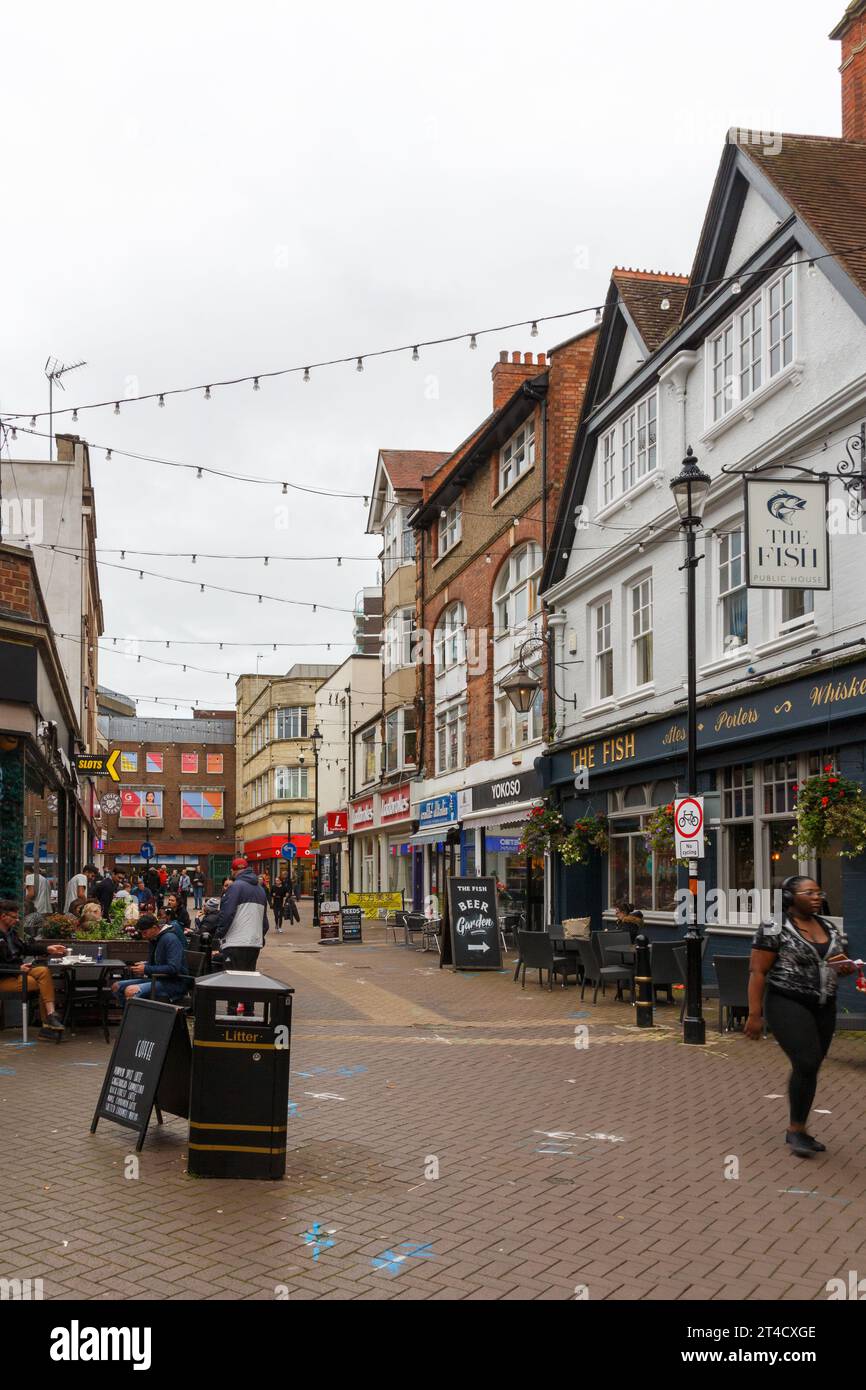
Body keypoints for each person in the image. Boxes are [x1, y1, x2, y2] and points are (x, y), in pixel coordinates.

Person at [746, 876, 857, 1157]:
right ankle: (795, 1130)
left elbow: (837, 959)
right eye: (809, 892)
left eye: (819, 892)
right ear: (790, 897)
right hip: (786, 1001)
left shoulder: (830, 927)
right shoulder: (774, 927)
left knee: (811, 1066)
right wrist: (754, 1014)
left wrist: (843, 967)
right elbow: (758, 972)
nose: (816, 897)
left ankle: (801, 1128)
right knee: (806, 1061)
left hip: (823, 1004)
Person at [0, 898, 66, 1036]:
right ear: (3, 916)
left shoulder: (11, 933)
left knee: (43, 971)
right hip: (5, 976)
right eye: (14, 917)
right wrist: (17, 969)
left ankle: (51, 1015)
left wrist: (48, 949)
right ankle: (47, 1024)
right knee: (41, 983)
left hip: (18, 972)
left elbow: (25, 948)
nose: (17, 920)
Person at [111, 913, 187, 1007]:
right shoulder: (154, 939)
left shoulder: (170, 939)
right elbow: (159, 962)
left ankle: (137, 1019)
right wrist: (145, 965)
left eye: (145, 932)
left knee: (131, 991)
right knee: (116, 986)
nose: (143, 936)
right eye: (141, 933)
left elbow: (173, 968)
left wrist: (146, 969)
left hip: (173, 983)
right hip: (158, 979)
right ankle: (130, 1017)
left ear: (155, 928)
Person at [212, 857, 269, 971]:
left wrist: (218, 934)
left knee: (233, 981)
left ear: (234, 870)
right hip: (254, 944)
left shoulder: (235, 887)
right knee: (247, 980)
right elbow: (265, 923)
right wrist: (258, 937)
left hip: (235, 943)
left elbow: (227, 914)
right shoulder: (260, 890)